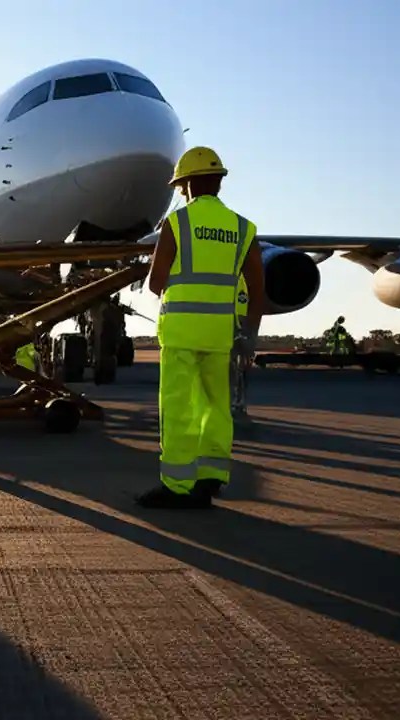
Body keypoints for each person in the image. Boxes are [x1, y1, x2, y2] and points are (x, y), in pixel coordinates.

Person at [140, 146, 264, 509]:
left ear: (186, 186)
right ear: (219, 184)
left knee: (179, 409)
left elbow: (155, 281)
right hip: (221, 335)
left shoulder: (177, 224)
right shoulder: (243, 228)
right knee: (215, 407)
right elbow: (258, 289)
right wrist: (249, 336)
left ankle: (176, 486)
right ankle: (211, 478)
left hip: (181, 333)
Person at [231, 274, 256, 419]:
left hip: (236, 329)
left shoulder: (239, 280)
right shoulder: (242, 280)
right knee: (238, 369)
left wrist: (241, 331)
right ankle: (238, 403)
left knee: (238, 369)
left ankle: (238, 403)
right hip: (238, 328)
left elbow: (240, 308)